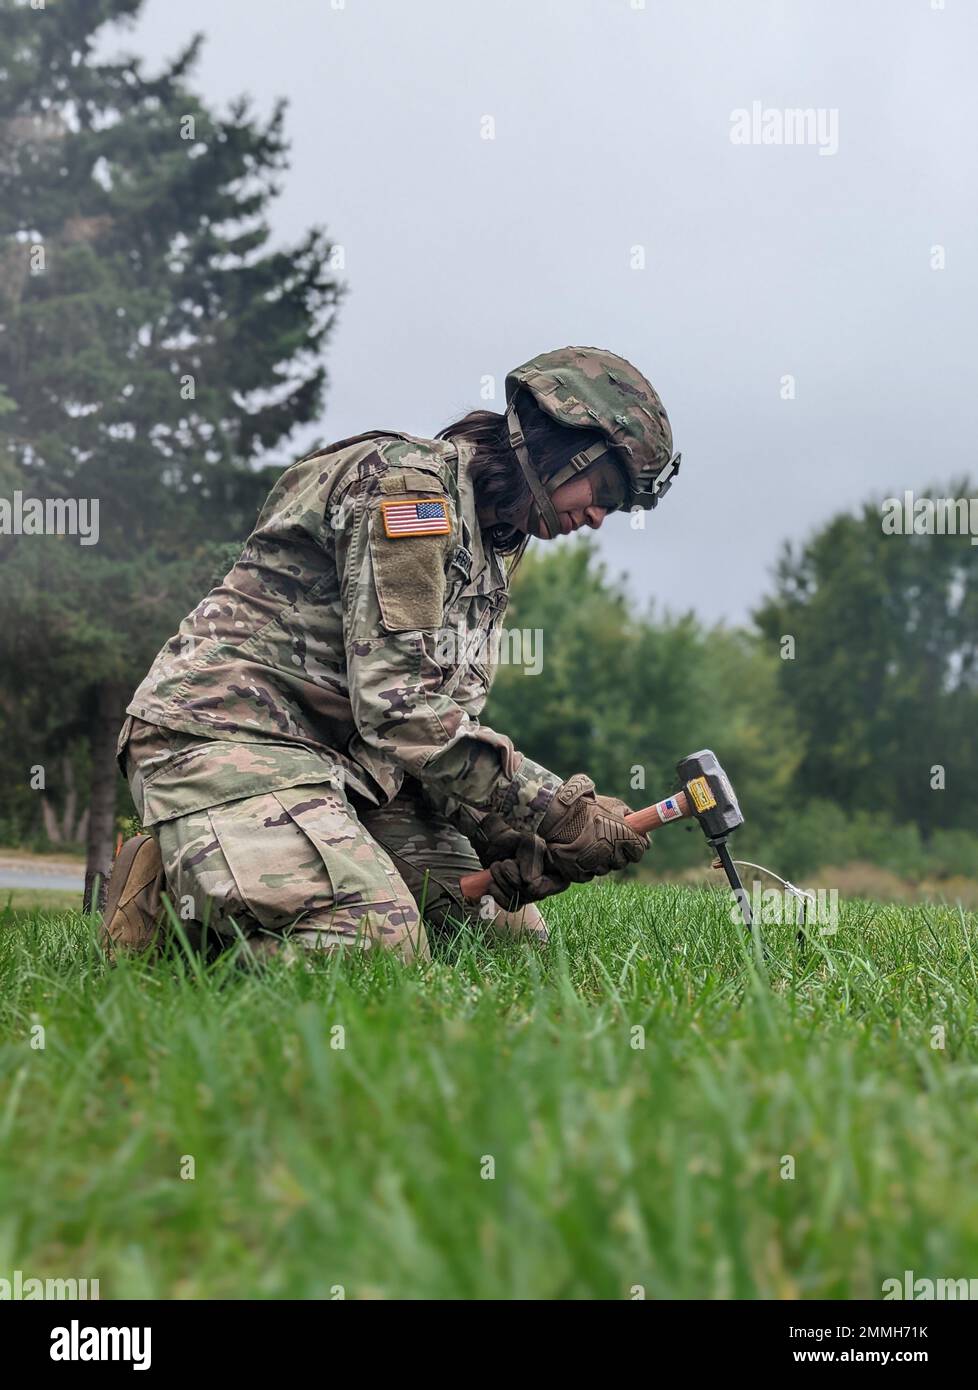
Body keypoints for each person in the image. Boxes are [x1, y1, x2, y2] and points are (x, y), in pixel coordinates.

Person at [104, 346, 680, 963]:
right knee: (377, 944)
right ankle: (173, 906)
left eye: (617, 508)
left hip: (352, 769)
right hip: (231, 739)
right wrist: (556, 811)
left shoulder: (494, 544)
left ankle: (249, 881)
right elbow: (399, 711)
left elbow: (439, 726)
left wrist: (507, 831)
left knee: (502, 940)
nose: (597, 518)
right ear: (563, 443)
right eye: (607, 489)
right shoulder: (411, 493)